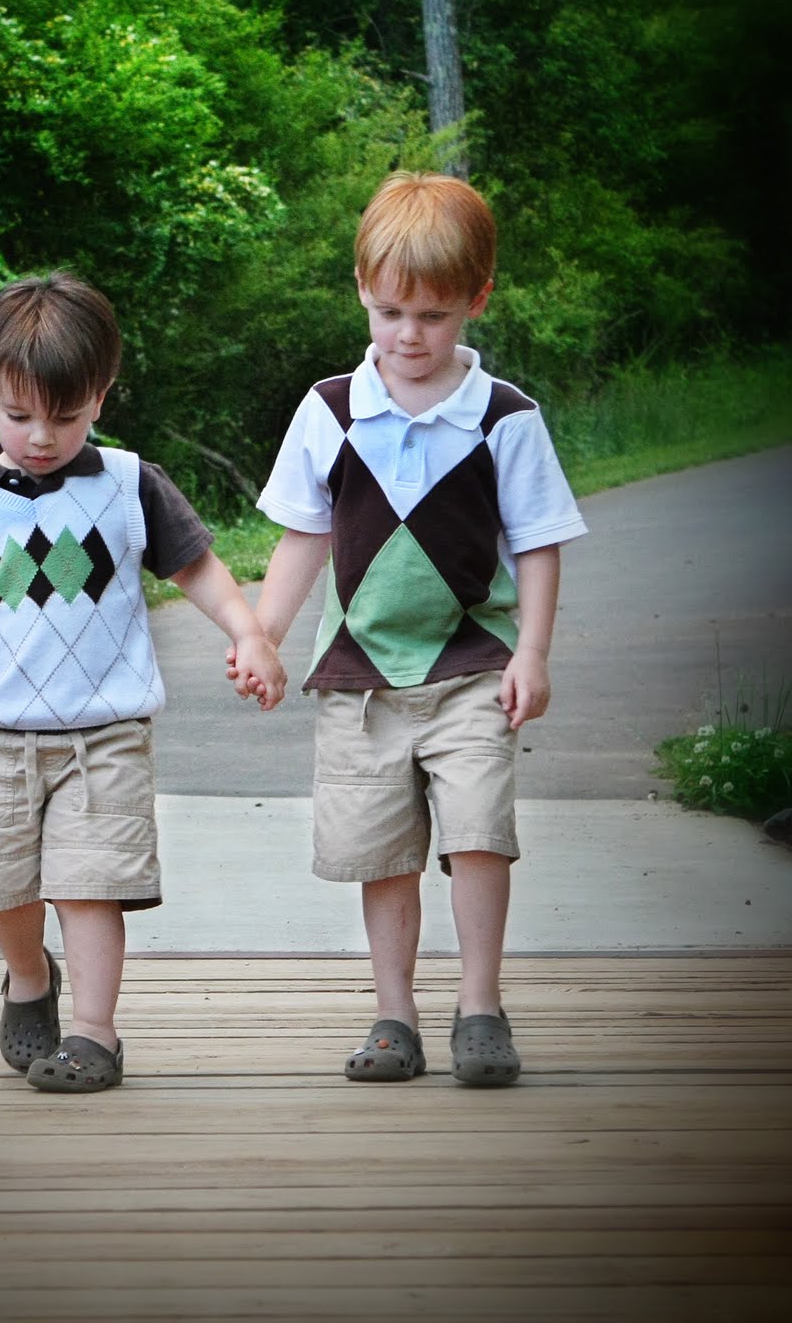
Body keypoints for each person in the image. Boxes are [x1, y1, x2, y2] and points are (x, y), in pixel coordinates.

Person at [0, 271, 285, 1094]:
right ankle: (29, 978)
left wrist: (248, 631)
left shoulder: (130, 486)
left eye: (65, 417)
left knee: (90, 880)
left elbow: (196, 568)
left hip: (106, 731)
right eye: (20, 415)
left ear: (99, 395)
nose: (39, 437)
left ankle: (95, 1035)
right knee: (3, 881)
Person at [244, 171, 586, 1087]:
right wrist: (264, 635)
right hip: (360, 679)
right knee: (382, 851)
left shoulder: (505, 419)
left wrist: (535, 654)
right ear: (361, 287)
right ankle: (393, 1014)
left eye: (432, 315)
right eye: (390, 311)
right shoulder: (329, 410)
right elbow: (304, 535)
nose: (408, 336)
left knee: (478, 833)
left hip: (474, 666)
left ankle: (480, 1006)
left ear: (476, 300)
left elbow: (541, 542)